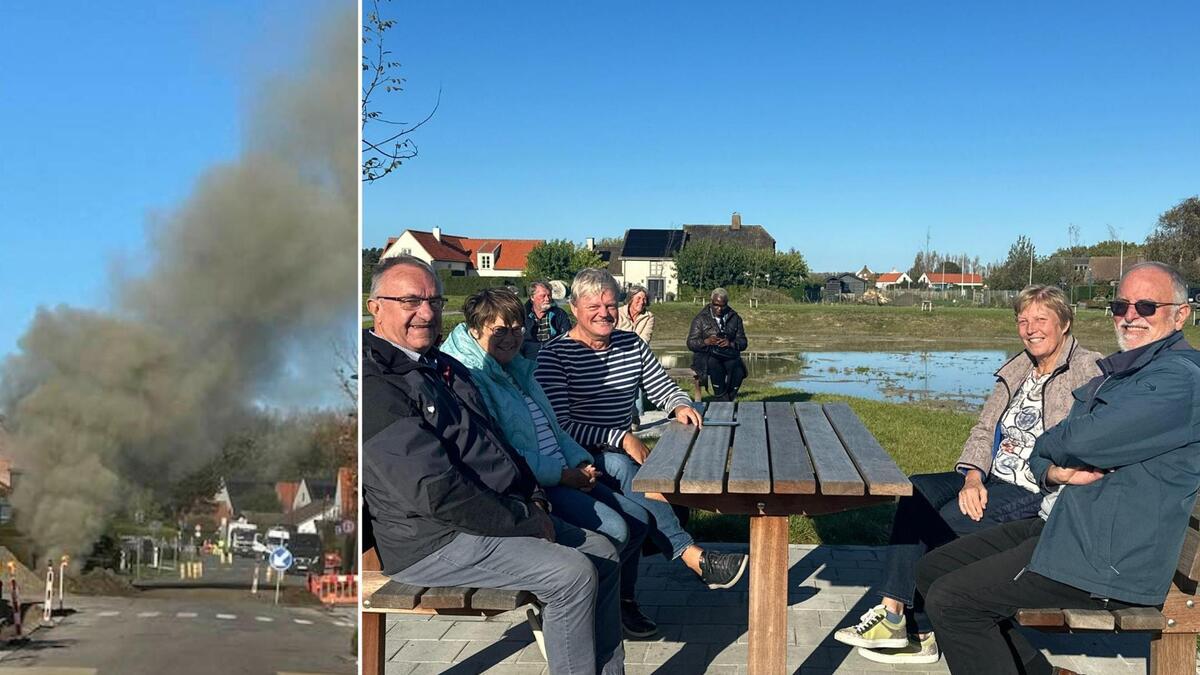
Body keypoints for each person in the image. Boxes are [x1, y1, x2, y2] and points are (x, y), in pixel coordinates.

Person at [915, 262, 1200, 675]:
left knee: (951, 601)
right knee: (932, 569)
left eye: (1146, 305)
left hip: (1107, 555)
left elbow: (1075, 439)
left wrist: (1052, 450)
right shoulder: (1133, 372)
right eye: (1121, 305)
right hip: (1070, 525)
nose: (1131, 315)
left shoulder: (1177, 381)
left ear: (1181, 313)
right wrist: (1054, 469)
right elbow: (1057, 444)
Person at [361, 255, 625, 674]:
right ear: (376, 305)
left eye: (434, 300)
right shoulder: (375, 384)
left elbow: (498, 446)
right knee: (571, 575)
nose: (426, 313)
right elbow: (435, 491)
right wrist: (525, 519)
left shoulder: (442, 367)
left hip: (486, 518)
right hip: (431, 539)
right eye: (411, 301)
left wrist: (535, 497)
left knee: (604, 552)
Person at [833, 285, 1102, 665]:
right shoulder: (1019, 367)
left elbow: (1092, 436)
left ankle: (920, 628)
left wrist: (1059, 472)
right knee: (917, 491)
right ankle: (896, 614)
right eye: (1023, 320)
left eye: (1041, 319)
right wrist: (973, 477)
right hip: (994, 477)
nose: (1030, 328)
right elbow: (983, 428)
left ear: (1065, 323)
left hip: (1036, 487)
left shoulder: (1087, 368)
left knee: (946, 523)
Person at [536, 268, 750, 635]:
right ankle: (691, 558)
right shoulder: (555, 355)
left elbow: (664, 387)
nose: (604, 312)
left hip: (618, 451)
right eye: (593, 305)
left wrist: (680, 404)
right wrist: (620, 437)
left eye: (610, 304)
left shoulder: (631, 345)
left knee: (637, 498)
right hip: (574, 458)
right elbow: (561, 426)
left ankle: (625, 599)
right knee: (624, 468)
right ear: (573, 308)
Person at [440, 286, 656, 637]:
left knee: (639, 520)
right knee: (615, 530)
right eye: (500, 330)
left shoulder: (515, 369)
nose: (511, 337)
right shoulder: (473, 377)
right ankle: (570, 605)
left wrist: (581, 462)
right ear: (476, 329)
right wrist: (564, 474)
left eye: (517, 328)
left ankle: (612, 602)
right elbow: (502, 454)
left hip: (563, 471)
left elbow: (553, 427)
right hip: (532, 485)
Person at [687, 288, 748, 401]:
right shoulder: (700, 319)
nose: (719, 309)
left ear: (727, 304)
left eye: (722, 306)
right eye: (716, 305)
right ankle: (723, 398)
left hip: (728, 354)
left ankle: (727, 399)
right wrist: (706, 342)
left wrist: (730, 343)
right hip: (706, 356)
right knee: (715, 365)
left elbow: (743, 342)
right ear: (711, 302)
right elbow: (691, 343)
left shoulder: (735, 318)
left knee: (738, 370)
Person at [617, 284, 655, 428]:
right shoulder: (618, 313)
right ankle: (628, 415)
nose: (642, 301)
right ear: (630, 299)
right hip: (617, 354)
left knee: (635, 369)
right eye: (638, 298)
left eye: (644, 299)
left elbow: (644, 339)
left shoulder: (649, 317)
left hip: (638, 355)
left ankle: (635, 415)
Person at [521, 280, 573, 358]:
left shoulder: (559, 314)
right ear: (532, 297)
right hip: (528, 358)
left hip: (554, 356)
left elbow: (567, 337)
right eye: (543, 296)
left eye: (549, 295)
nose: (547, 299)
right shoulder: (522, 315)